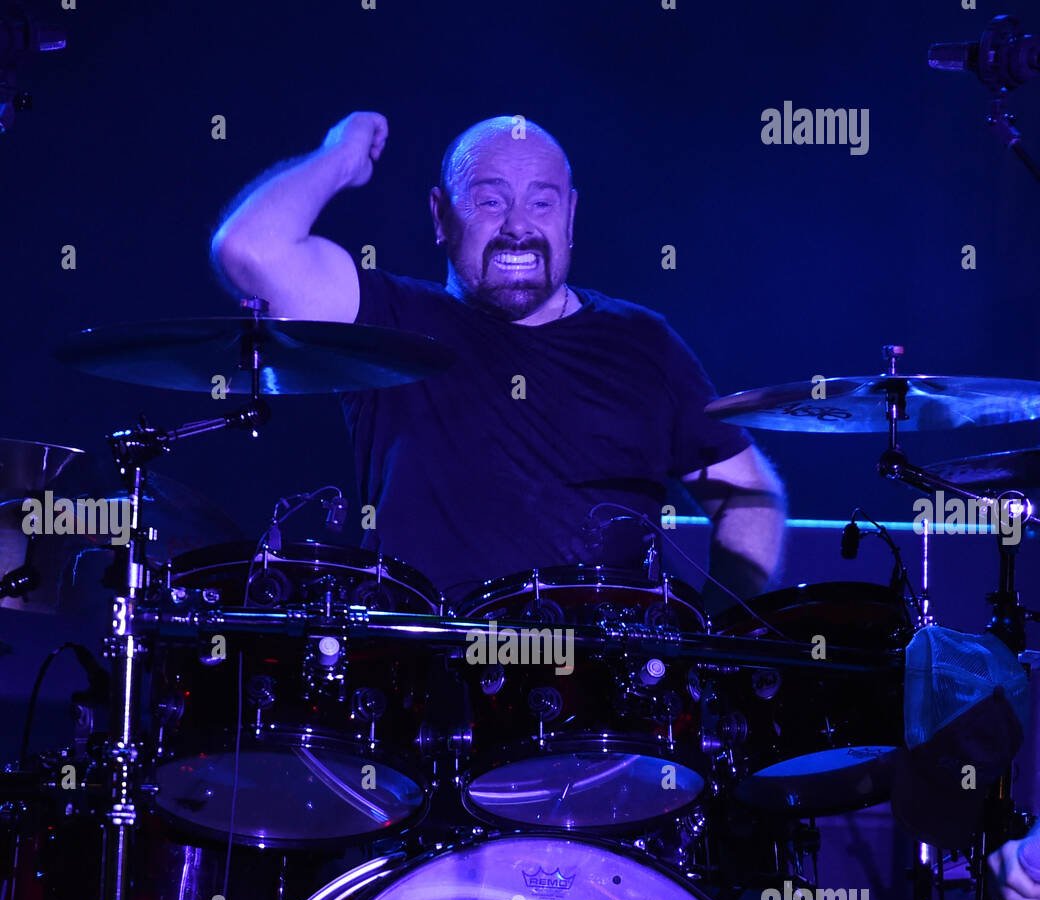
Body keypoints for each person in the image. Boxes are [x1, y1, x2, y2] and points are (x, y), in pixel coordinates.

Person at [210, 112, 786, 606]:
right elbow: (250, 248)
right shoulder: (389, 320)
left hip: (609, 698)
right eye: (489, 201)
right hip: (423, 679)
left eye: (542, 202)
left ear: (571, 216)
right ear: (440, 216)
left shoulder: (644, 341)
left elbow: (749, 494)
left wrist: (718, 642)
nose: (518, 226)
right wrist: (339, 154)